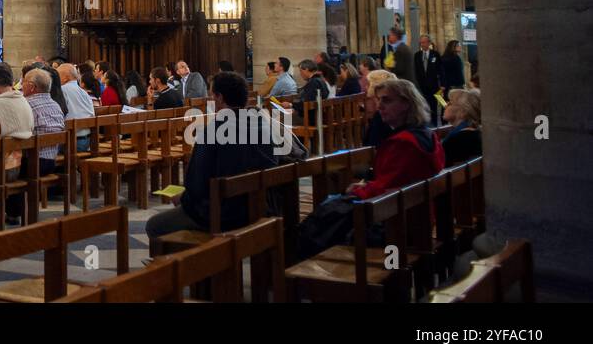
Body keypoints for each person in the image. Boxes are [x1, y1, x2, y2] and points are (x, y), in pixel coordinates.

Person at [297, 79, 444, 258]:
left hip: (395, 230)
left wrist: (359, 191)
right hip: (414, 216)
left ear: (406, 103)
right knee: (327, 216)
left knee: (322, 224)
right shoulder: (427, 135)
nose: (379, 105)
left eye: (387, 100)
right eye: (379, 100)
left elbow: (387, 188)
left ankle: (311, 275)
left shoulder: (404, 143)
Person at [145, 72, 280, 240]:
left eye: (212, 95)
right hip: (260, 207)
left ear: (219, 97)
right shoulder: (262, 124)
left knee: (154, 225)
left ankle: (182, 264)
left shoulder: (213, 130)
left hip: (222, 214)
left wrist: (183, 198)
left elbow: (196, 183)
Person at [22, 67, 66, 177]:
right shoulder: (55, 104)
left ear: (32, 87)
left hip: (31, 163)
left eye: (23, 82)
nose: (21, 86)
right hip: (51, 162)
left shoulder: (26, 104)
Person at [58, 63, 97, 151]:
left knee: (43, 150)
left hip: (71, 142)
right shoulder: (84, 92)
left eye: (58, 75)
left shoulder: (62, 90)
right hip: (87, 141)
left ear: (65, 77)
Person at [441, 87, 482, 166]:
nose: (446, 106)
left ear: (463, 111)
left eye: (450, 103)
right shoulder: (475, 133)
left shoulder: (457, 140)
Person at [413, 34, 442, 125]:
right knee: (424, 106)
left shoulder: (435, 54)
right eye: (421, 43)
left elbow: (441, 69)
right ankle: (426, 124)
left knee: (435, 105)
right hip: (422, 85)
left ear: (429, 43)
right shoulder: (417, 55)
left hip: (434, 85)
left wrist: (443, 84)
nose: (422, 44)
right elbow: (416, 70)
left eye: (424, 42)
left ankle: (436, 124)